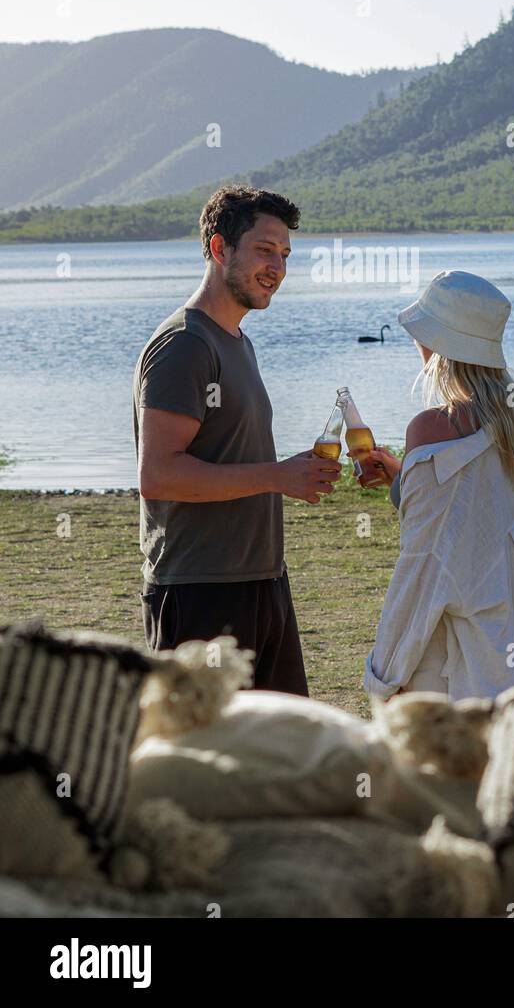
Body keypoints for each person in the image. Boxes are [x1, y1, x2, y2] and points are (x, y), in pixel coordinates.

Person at [133, 184, 341, 694]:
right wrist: (277, 476)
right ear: (219, 248)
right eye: (264, 251)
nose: (278, 267)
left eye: (285, 254)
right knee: (203, 764)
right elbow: (158, 476)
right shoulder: (184, 345)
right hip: (199, 592)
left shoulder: (237, 341)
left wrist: (294, 471)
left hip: (262, 583)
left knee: (276, 757)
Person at [360, 269, 514, 702]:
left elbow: (425, 567)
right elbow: (479, 520)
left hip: (460, 669)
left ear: (436, 344)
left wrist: (385, 678)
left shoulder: (435, 428)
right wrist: (405, 478)